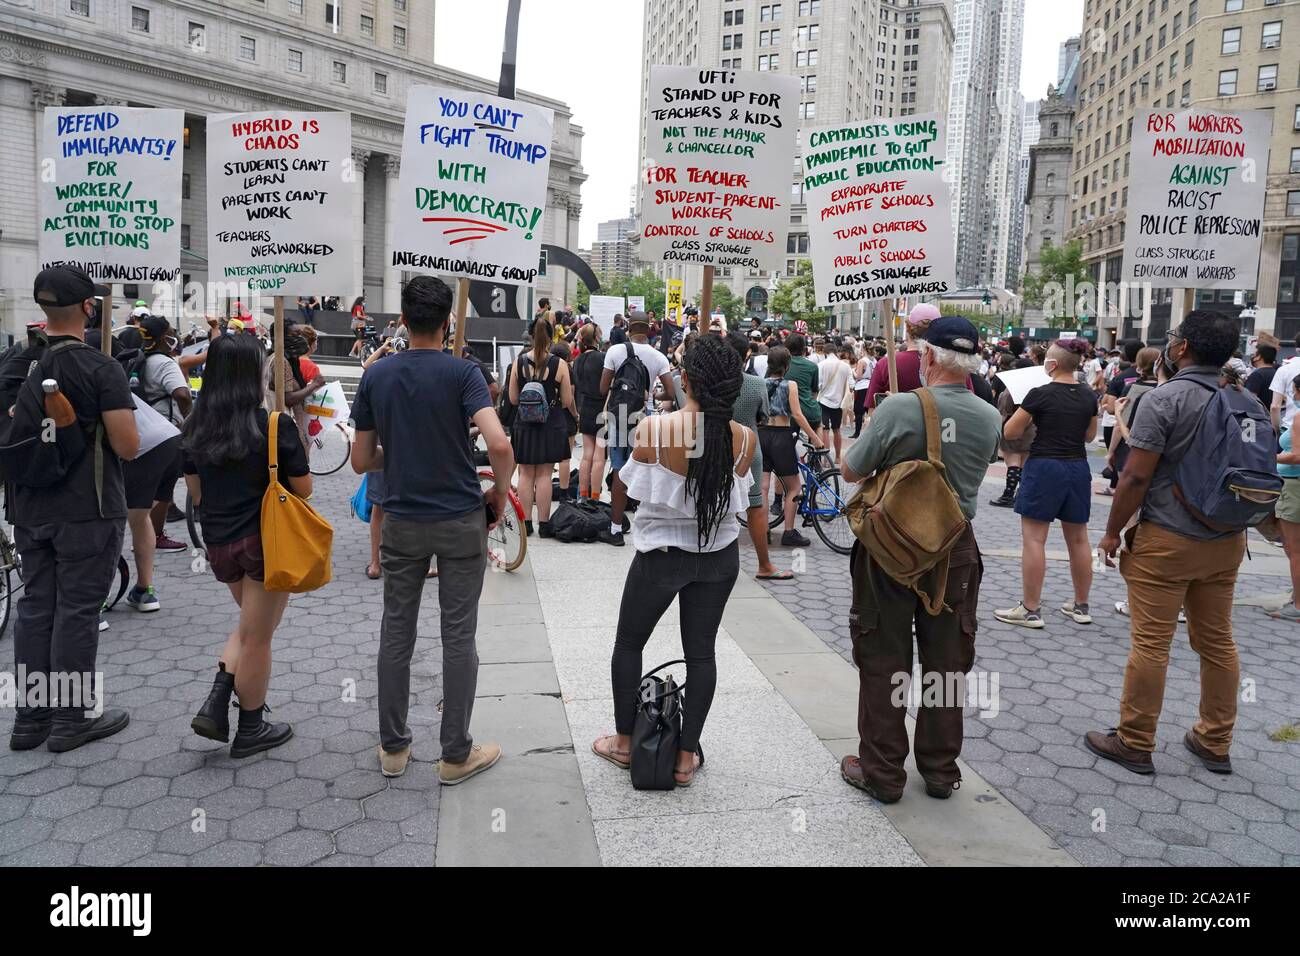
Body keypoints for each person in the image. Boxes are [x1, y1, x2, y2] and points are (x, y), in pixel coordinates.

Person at [351, 275, 514, 783]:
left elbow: (360, 460)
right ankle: (455, 754)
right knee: (458, 637)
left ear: (402, 320)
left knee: (396, 631)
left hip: (400, 522)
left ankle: (394, 748)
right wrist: (498, 493)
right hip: (460, 521)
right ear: (448, 323)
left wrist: (395, 454)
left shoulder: (376, 375)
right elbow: (500, 445)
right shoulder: (464, 373)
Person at [839, 316, 1001, 802]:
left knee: (884, 657)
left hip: (890, 548)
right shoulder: (991, 415)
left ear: (927, 357)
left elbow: (850, 470)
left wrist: (878, 427)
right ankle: (939, 769)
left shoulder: (900, 407)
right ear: (973, 364)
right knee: (947, 662)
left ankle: (883, 773)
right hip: (955, 549)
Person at [591, 335, 755, 785]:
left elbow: (627, 489)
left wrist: (614, 520)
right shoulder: (745, 440)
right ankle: (684, 759)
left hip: (661, 557)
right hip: (719, 558)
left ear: (685, 380)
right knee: (701, 654)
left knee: (629, 645)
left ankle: (625, 744)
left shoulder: (654, 430)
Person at [1091, 311, 1248, 775]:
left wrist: (1111, 532)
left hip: (1168, 538)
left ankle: (1135, 741)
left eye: (1174, 337)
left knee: (1152, 643)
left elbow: (1136, 475)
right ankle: (1215, 740)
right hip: (1226, 539)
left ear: (1181, 349)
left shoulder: (1166, 399)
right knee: (1218, 642)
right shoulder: (1242, 398)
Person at [5, 267, 140, 753]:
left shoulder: (18, 361)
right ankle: (69, 720)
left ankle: (29, 719)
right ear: (89, 308)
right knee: (77, 610)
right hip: (87, 506)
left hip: (27, 505)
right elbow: (127, 446)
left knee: (37, 605)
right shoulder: (100, 368)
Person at [183, 334, 308, 756]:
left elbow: (196, 493)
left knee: (250, 628)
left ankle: (217, 702)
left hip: (218, 542)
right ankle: (251, 728)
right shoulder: (273, 424)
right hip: (265, 541)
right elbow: (304, 490)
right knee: (259, 638)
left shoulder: (195, 425)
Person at [995, 339, 1099, 628]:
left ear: (1051, 365)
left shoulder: (1039, 394)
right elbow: (1089, 437)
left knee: (1034, 539)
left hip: (1043, 467)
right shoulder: (1089, 396)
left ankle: (1030, 608)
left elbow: (1011, 432)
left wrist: (1030, 415)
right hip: (1077, 467)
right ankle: (1081, 605)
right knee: (1079, 539)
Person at [599, 312, 676, 546]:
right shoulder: (658, 356)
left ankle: (614, 529)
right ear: (649, 329)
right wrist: (655, 394)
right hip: (644, 416)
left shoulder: (615, 351)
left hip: (619, 416)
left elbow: (603, 388)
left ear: (629, 328)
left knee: (619, 469)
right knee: (645, 468)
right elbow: (671, 393)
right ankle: (646, 527)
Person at [726, 331, 790, 580]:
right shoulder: (755, 384)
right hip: (749, 449)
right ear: (746, 355)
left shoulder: (711, 382)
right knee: (756, 506)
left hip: (717, 447)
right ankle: (764, 565)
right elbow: (763, 415)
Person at [508, 321, 576, 536]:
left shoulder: (518, 362)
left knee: (526, 474)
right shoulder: (560, 364)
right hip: (551, 423)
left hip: (524, 424)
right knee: (545, 475)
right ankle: (544, 525)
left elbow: (512, 398)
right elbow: (566, 400)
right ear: (551, 337)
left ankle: (526, 523)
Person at [760, 346, 825, 548]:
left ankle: (762, 529)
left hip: (762, 434)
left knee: (763, 487)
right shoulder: (791, 385)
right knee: (794, 487)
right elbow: (797, 415)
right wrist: (815, 437)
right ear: (787, 365)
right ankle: (789, 531)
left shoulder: (759, 384)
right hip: (781, 437)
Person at [1270, 373, 1300, 622]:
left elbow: (1296, 455)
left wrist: (1271, 457)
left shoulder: (1299, 418)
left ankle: (1298, 604)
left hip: (1294, 484)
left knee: (1294, 548)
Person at [989, 353, 1034, 507]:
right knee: (1024, 462)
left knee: (1013, 461)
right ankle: (1021, 494)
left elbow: (1004, 408)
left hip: (1012, 425)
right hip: (1031, 429)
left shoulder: (1013, 389)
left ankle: (1008, 494)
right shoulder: (1036, 388)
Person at [573, 323, 607, 499]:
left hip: (584, 408)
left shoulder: (577, 360)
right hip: (601, 409)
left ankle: (583, 495)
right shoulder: (602, 358)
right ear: (595, 338)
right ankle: (595, 497)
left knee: (587, 455)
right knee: (599, 456)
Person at [817, 344, 852, 462]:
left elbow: (818, 385)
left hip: (824, 401)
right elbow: (851, 384)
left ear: (825, 352)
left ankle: (826, 460)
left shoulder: (821, 365)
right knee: (837, 430)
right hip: (839, 402)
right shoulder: (845, 366)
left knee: (825, 430)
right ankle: (837, 457)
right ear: (836, 352)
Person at [783, 332, 822, 434]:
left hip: (786, 411)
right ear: (803, 348)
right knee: (818, 426)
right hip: (808, 409)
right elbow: (814, 393)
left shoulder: (782, 363)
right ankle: (820, 448)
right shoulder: (812, 366)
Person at [1244, 333, 1280, 409]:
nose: (1252, 357)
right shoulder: (1277, 373)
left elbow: (1249, 400)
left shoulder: (1257, 375)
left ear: (1259, 357)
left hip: (1258, 417)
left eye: (1253, 354)